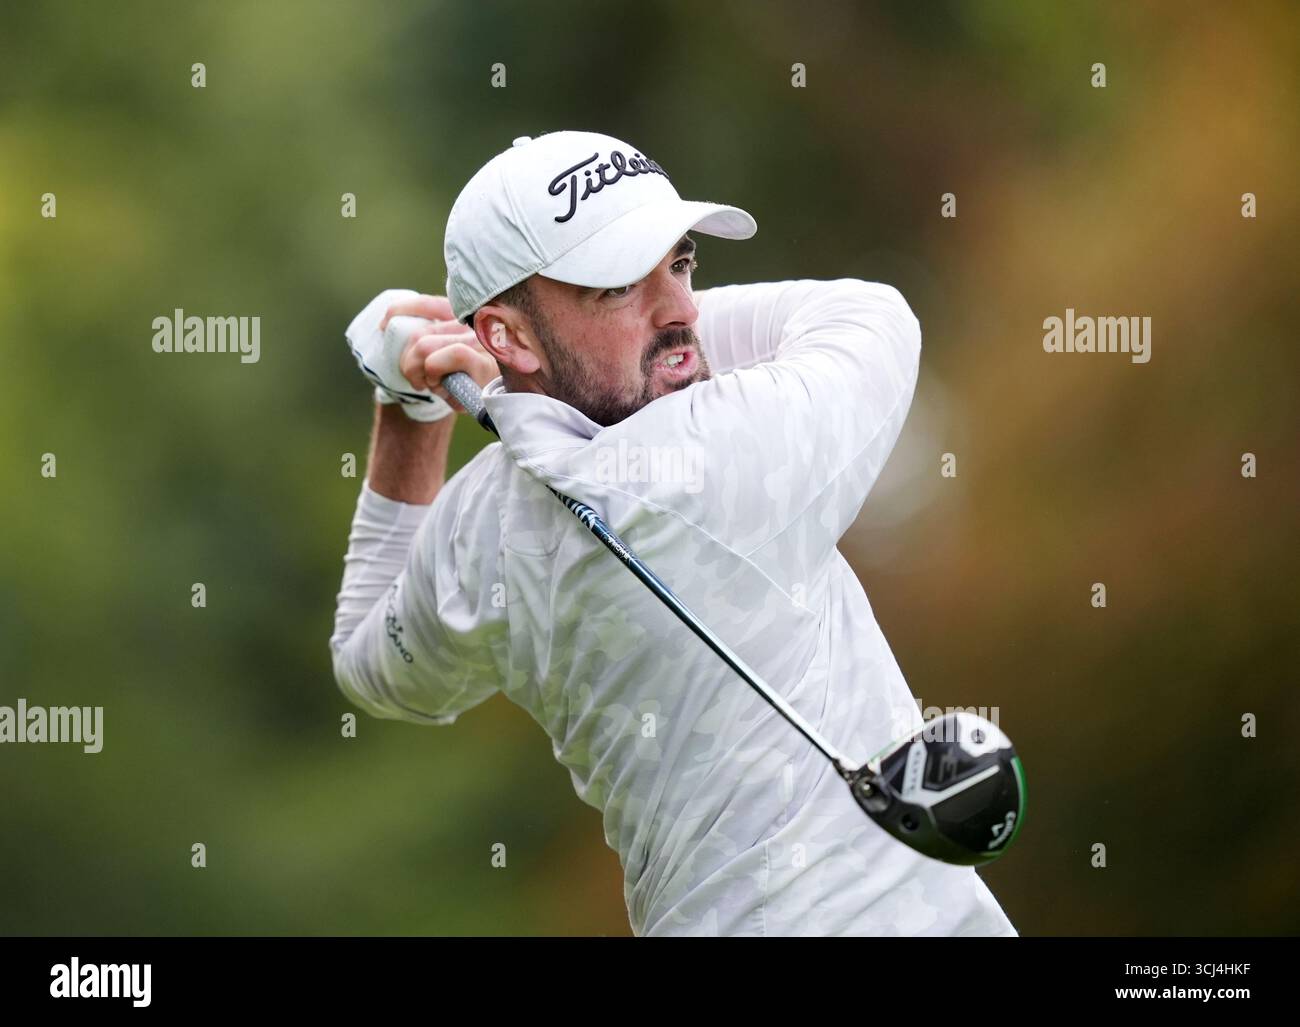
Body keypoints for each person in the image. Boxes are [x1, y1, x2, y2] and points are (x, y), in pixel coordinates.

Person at [330, 130, 1018, 937]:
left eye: (681, 264)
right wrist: (514, 362)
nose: (684, 309)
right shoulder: (733, 443)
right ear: (507, 334)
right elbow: (871, 313)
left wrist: (411, 406)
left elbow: (367, 663)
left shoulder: (481, 527)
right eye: (620, 285)